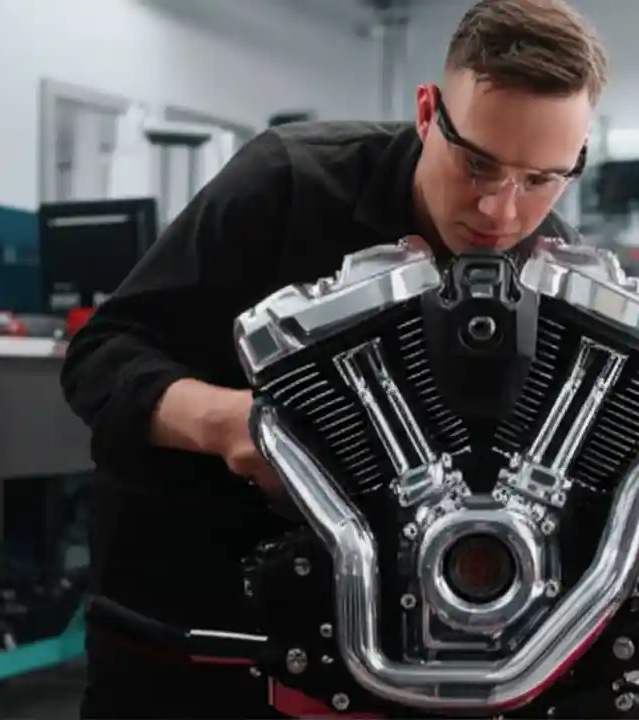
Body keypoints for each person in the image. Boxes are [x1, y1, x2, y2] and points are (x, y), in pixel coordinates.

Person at [60, 0, 609, 716]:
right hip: (189, 604)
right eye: (478, 165)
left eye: (541, 180)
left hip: (380, 637)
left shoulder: (551, 266)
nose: (501, 212)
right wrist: (226, 423)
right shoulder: (287, 183)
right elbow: (99, 359)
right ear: (426, 112)